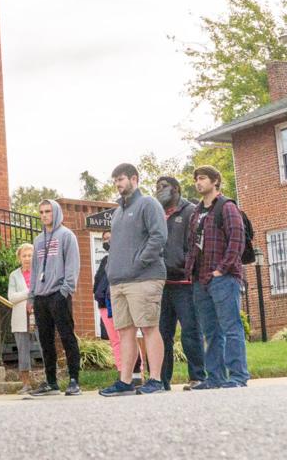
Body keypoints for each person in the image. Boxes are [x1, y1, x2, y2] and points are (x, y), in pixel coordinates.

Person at [99, 163, 168, 397]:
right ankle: (125, 381)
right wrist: (112, 270)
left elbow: (159, 237)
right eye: (115, 181)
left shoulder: (148, 204)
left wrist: (138, 263)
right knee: (125, 332)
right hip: (119, 281)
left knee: (149, 327)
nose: (117, 184)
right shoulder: (117, 212)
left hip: (144, 278)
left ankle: (156, 379)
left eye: (121, 179)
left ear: (134, 179)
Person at [185, 165, 250, 389]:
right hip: (200, 279)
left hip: (224, 278)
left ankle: (238, 376)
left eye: (203, 178)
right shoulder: (195, 213)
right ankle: (215, 378)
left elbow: (237, 240)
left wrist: (221, 269)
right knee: (211, 332)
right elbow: (192, 246)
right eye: (196, 179)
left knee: (231, 327)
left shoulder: (227, 207)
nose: (198, 182)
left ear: (215, 181)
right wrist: (191, 272)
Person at [26, 199, 82, 397]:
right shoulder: (38, 240)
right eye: (41, 212)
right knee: (45, 341)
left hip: (59, 294)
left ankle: (74, 380)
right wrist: (31, 296)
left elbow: (73, 266)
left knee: (67, 336)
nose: (44, 215)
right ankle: (51, 383)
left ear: (55, 212)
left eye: (48, 211)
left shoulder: (67, 236)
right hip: (41, 297)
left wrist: (65, 291)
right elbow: (34, 270)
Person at [155, 175, 206, 391]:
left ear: (176, 188)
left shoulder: (190, 211)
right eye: (157, 187)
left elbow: (196, 245)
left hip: (185, 283)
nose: (160, 190)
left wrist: (184, 264)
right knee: (162, 334)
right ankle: (161, 380)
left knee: (190, 331)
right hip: (162, 284)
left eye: (164, 186)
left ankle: (197, 377)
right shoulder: (157, 214)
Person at [7, 243, 36, 394]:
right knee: (23, 351)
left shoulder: (40, 272)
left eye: (30, 255)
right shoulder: (14, 275)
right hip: (20, 317)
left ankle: (50, 381)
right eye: (24, 256)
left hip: (39, 315)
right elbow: (12, 297)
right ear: (19, 258)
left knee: (45, 347)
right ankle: (26, 384)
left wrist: (26, 294)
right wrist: (30, 292)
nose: (27, 258)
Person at [93, 231, 123, 374]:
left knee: (125, 339)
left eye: (110, 238)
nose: (107, 241)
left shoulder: (122, 257)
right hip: (104, 304)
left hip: (117, 303)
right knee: (115, 341)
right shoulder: (105, 260)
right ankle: (121, 370)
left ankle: (137, 371)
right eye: (104, 239)